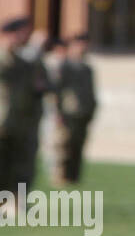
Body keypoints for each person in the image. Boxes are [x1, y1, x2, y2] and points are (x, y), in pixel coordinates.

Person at [0, 17, 48, 211]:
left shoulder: (31, 59)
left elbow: (44, 83)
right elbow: (7, 69)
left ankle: (18, 203)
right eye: (22, 32)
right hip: (4, 122)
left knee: (24, 165)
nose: (25, 37)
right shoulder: (6, 56)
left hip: (26, 121)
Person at [50, 34, 96, 186]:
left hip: (83, 113)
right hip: (68, 113)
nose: (83, 48)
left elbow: (91, 91)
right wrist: (57, 112)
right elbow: (56, 91)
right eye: (79, 44)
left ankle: (73, 178)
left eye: (85, 44)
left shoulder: (87, 68)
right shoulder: (64, 66)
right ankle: (60, 177)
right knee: (64, 146)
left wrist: (92, 109)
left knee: (78, 146)